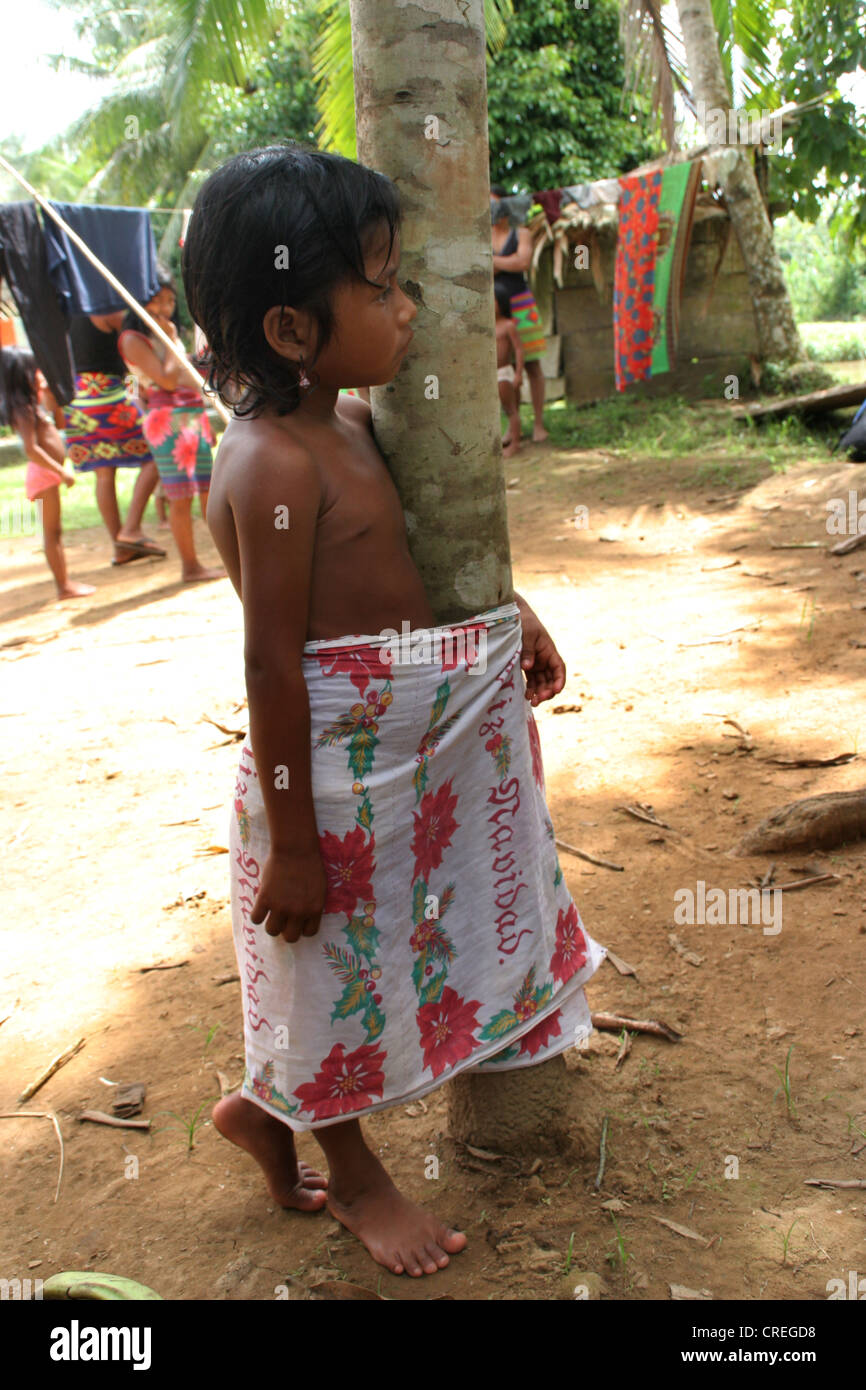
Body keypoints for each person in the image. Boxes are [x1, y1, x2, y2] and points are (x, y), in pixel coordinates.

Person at [182, 145, 603, 1279]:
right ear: (289, 328)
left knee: (392, 948)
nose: (408, 307)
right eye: (381, 287)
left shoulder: (358, 424)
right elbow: (273, 665)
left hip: (404, 770)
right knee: (324, 969)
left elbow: (429, 546)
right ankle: (356, 1175)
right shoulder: (271, 463)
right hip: (321, 780)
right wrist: (298, 844)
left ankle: (267, 1118)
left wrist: (505, 609)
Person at [117, 268, 224, 584]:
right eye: (157, 300)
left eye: (169, 301)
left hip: (192, 415)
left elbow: (187, 378)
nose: (164, 308)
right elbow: (164, 379)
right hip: (167, 421)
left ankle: (227, 558)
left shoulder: (163, 333)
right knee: (181, 497)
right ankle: (190, 567)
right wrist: (173, 341)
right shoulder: (133, 339)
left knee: (209, 493)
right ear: (140, 300)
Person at [64, 312, 165, 566]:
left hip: (78, 398)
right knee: (157, 454)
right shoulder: (108, 308)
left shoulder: (67, 308)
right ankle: (131, 529)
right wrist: (136, 393)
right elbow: (125, 359)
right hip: (108, 395)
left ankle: (121, 548)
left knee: (104, 474)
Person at [0, 346, 95, 599]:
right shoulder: (23, 410)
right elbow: (31, 450)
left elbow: (60, 425)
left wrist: (52, 397)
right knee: (52, 533)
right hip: (44, 476)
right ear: (22, 376)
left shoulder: (33, 405)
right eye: (36, 373)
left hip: (47, 475)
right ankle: (63, 586)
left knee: (55, 532)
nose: (40, 377)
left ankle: (65, 582)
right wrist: (61, 472)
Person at [491, 187, 549, 444]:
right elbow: (511, 263)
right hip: (497, 310)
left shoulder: (521, 232)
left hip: (523, 304)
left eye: (497, 205)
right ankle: (513, 428)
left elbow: (523, 262)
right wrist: (506, 261)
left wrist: (493, 262)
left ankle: (538, 424)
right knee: (504, 368)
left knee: (533, 364)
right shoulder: (484, 236)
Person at [494, 283, 524, 457]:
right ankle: (508, 438)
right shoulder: (489, 326)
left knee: (511, 408)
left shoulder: (508, 325)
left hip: (505, 371)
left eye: (494, 301)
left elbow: (519, 349)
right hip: (494, 372)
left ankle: (516, 443)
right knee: (504, 409)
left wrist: (519, 373)